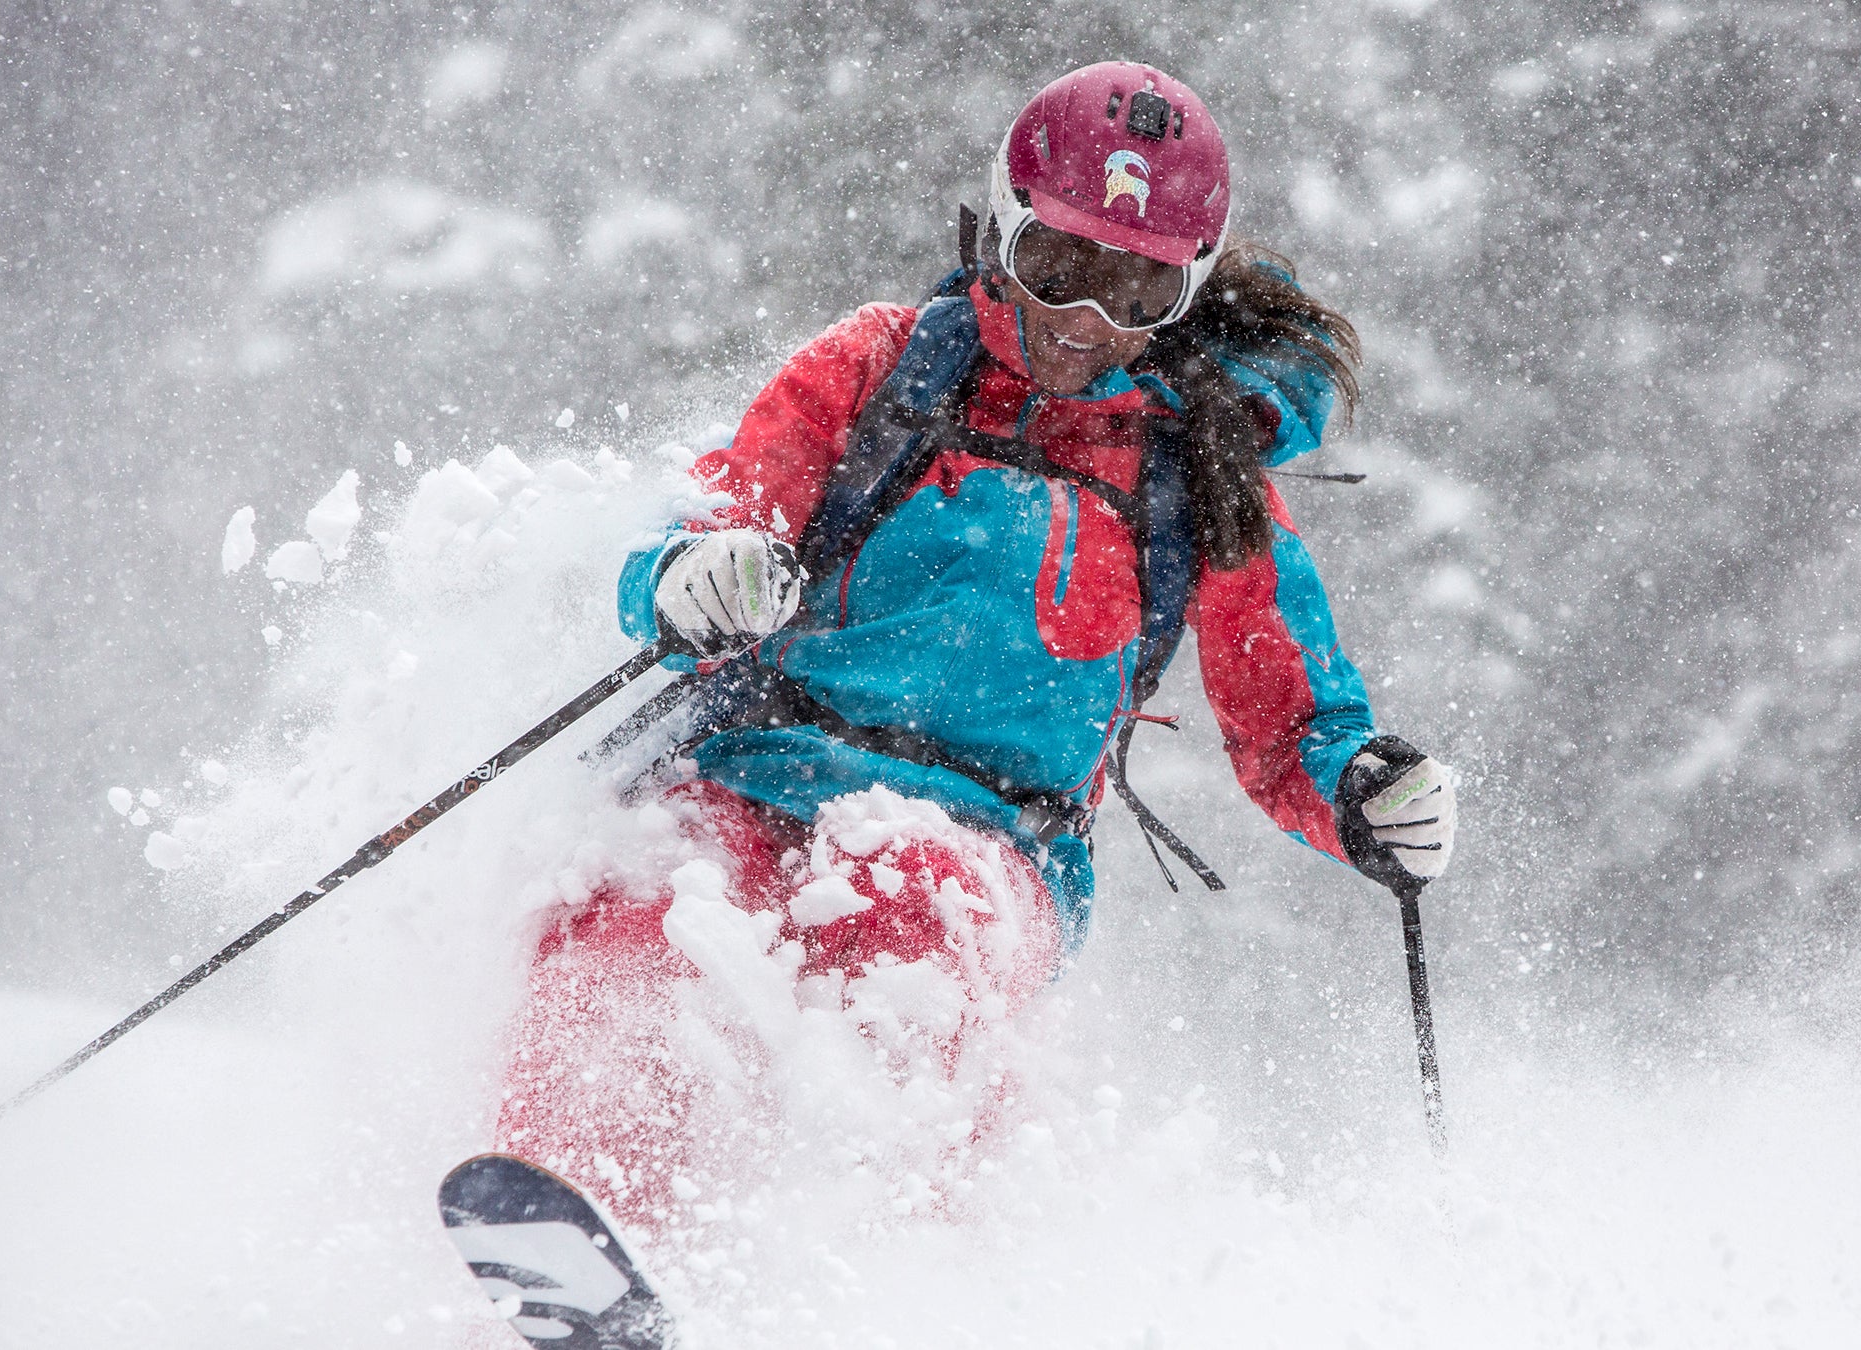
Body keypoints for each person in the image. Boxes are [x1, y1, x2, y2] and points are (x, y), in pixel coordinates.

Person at [493, 61, 1458, 1231]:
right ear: (1003, 228)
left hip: (992, 831)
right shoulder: (884, 367)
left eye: (1135, 294)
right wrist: (699, 576)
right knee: (644, 899)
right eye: (1057, 268)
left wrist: (1358, 791)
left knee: (908, 925)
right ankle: (584, 1213)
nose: (1082, 322)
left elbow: (1289, 708)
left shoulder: (1192, 474)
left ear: (1186, 293)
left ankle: (862, 1270)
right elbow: (728, 508)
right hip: (761, 762)